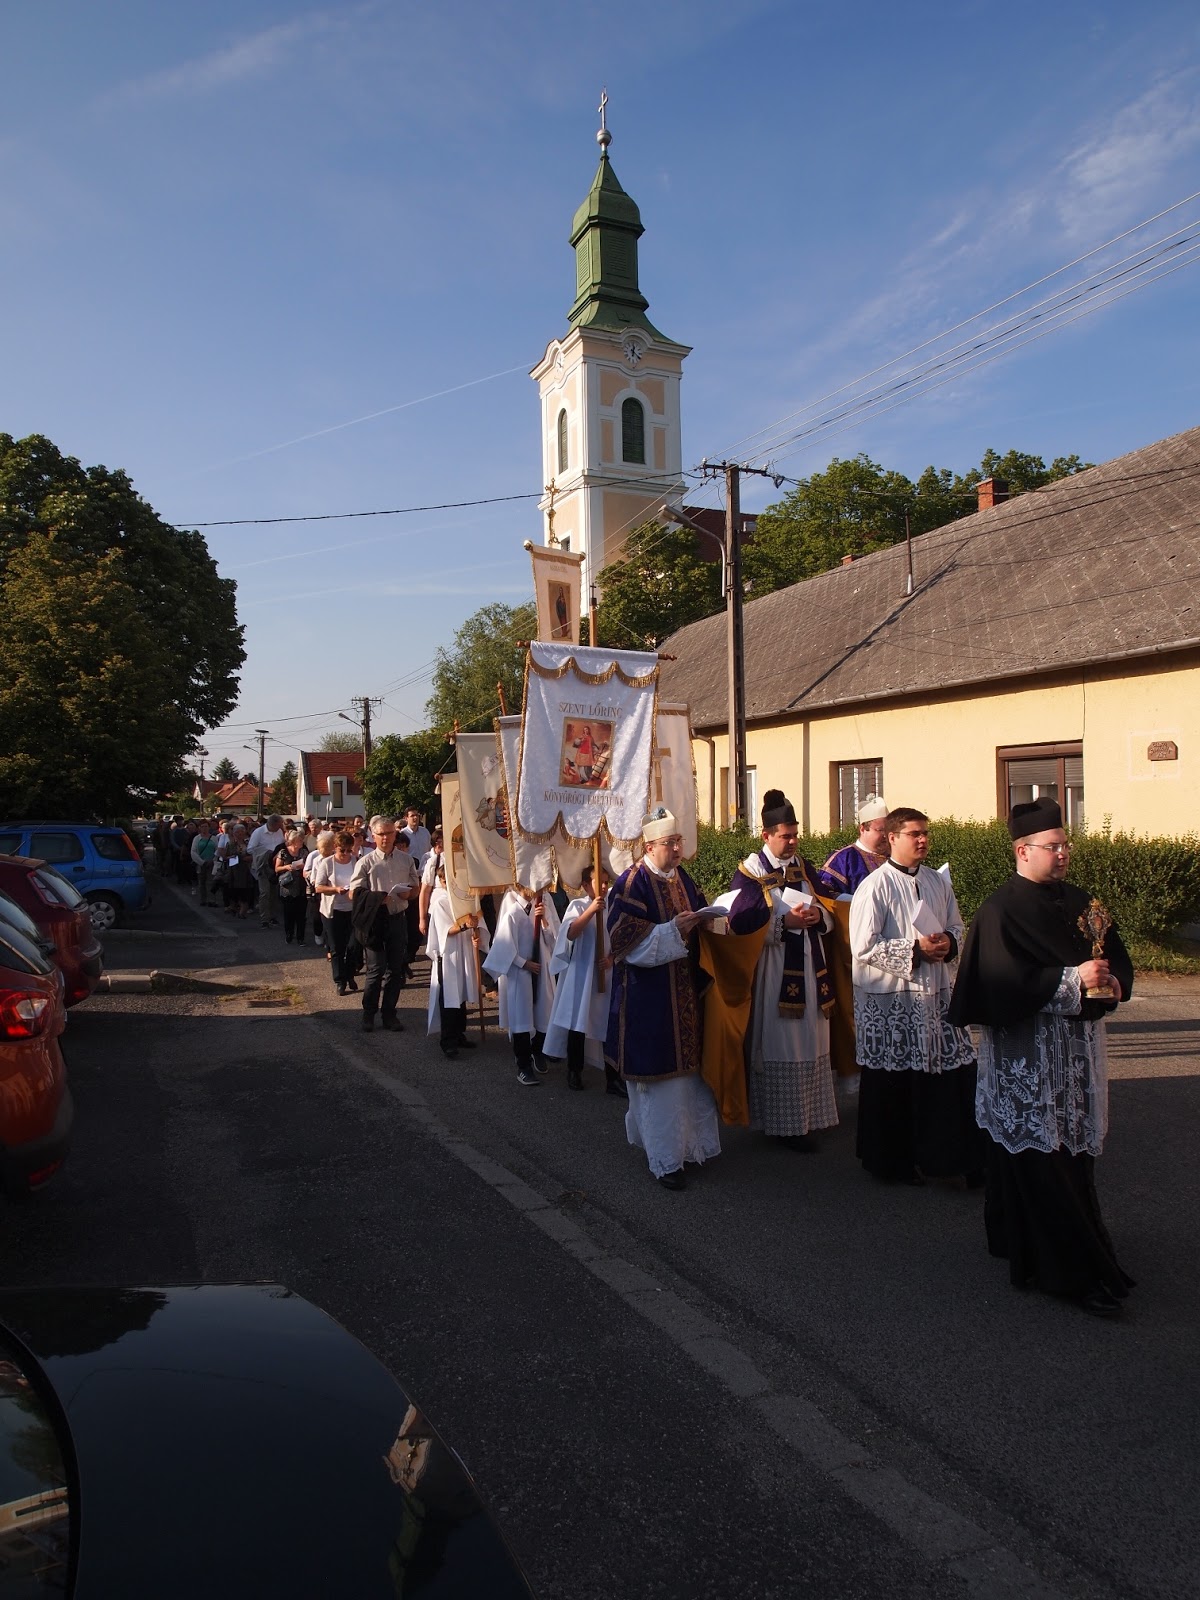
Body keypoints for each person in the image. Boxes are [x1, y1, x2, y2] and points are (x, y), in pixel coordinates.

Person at [948, 797, 1135, 1318]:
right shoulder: (999, 911)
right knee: (1040, 1163)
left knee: (1071, 1161)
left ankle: (1026, 1244)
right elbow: (998, 986)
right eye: (1053, 847)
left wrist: (1114, 981)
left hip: (1076, 1059)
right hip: (1027, 1064)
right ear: (1022, 850)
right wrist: (1072, 980)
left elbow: (1113, 955)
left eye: (1066, 845)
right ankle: (1072, 1273)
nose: (1063, 854)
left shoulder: (1081, 902)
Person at [849, 806, 984, 1185]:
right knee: (896, 1085)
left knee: (951, 1076)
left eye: (925, 833)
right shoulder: (873, 887)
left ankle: (955, 1158)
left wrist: (948, 944)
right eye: (914, 834)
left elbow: (957, 924)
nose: (923, 839)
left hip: (937, 995)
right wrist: (916, 950)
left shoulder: (938, 882)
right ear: (892, 838)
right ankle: (893, 1163)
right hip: (895, 1003)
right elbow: (862, 947)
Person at [605, 807, 718, 1190]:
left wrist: (707, 920)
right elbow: (625, 945)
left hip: (686, 994)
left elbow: (701, 914)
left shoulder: (681, 877)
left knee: (689, 1082)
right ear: (650, 846)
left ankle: (690, 1148)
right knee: (661, 1085)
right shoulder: (630, 884)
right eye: (671, 843)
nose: (678, 849)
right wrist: (674, 931)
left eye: (679, 841)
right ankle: (665, 1160)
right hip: (649, 999)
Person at [726, 790, 838, 1152]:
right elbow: (738, 921)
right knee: (784, 1044)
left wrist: (819, 916)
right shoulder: (751, 873)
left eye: (795, 834)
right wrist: (782, 922)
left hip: (811, 964)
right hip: (775, 973)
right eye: (785, 836)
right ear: (766, 836)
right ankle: (784, 1126)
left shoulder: (803, 867)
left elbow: (829, 905)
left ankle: (810, 1118)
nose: (792, 842)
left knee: (813, 1040)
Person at [544, 862, 624, 1095]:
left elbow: (621, 936)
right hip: (582, 974)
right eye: (598, 882)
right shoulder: (577, 906)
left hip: (605, 973)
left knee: (607, 1024)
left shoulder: (613, 906)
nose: (604, 886)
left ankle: (613, 1078)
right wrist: (591, 911)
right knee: (578, 1023)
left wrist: (611, 958)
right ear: (586, 885)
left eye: (606, 882)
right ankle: (574, 1070)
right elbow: (570, 933)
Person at [483, 886, 561, 1085]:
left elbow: (556, 939)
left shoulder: (544, 902)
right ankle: (523, 1065)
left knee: (544, 1011)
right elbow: (503, 945)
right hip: (521, 971)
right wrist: (523, 963)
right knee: (522, 1017)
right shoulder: (513, 911)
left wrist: (544, 921)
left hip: (542, 966)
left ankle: (538, 1051)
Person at [349, 814, 419, 1031]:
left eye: (389, 833)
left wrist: (409, 895)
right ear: (374, 835)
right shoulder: (366, 862)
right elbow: (354, 893)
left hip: (398, 918)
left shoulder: (406, 860)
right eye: (381, 834)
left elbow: (415, 887)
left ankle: (390, 1014)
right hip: (375, 922)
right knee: (376, 970)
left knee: (395, 970)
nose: (386, 838)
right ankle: (368, 1014)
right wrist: (378, 898)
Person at [425, 862, 488, 1057]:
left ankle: (460, 1033)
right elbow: (444, 931)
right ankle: (448, 1040)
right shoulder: (441, 901)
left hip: (465, 951)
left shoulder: (466, 898)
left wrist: (477, 932)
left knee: (460, 995)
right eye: (443, 880)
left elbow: (478, 922)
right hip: (449, 954)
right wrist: (464, 926)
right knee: (450, 996)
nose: (446, 884)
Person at [310, 830, 359, 994]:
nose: (345, 854)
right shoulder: (327, 863)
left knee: (353, 946)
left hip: (352, 909)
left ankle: (350, 974)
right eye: (342, 850)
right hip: (333, 911)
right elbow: (318, 887)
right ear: (335, 848)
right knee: (337, 948)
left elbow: (362, 881)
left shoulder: (355, 861)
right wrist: (335, 889)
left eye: (348, 850)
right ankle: (340, 980)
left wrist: (355, 890)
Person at [819, 795, 890, 896]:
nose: (885, 835)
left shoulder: (895, 856)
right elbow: (825, 892)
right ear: (862, 829)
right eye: (881, 830)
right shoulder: (844, 858)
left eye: (889, 830)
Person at [248, 814, 285, 927]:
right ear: (273, 824)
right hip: (263, 866)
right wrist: (266, 852)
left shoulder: (279, 832)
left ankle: (272, 916)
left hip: (275, 865)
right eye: (279, 825)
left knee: (274, 892)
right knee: (265, 892)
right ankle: (264, 918)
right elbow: (250, 849)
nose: (280, 827)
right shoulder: (258, 832)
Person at [274, 830, 311, 944]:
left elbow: (309, 866)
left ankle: (301, 937)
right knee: (289, 913)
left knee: (301, 914)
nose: (301, 842)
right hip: (288, 887)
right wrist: (288, 867)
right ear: (294, 841)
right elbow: (277, 868)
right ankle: (289, 934)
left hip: (301, 886)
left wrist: (304, 867)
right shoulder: (283, 852)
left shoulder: (304, 852)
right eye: (300, 840)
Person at [190, 820, 217, 907]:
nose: (204, 828)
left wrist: (213, 860)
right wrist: (202, 862)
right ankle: (203, 899)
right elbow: (193, 852)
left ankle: (211, 900)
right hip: (201, 864)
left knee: (211, 882)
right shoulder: (197, 839)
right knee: (201, 882)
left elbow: (217, 850)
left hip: (212, 863)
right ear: (199, 828)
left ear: (209, 827)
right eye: (202, 827)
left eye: (206, 826)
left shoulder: (214, 838)